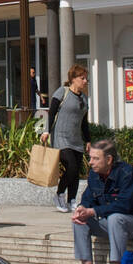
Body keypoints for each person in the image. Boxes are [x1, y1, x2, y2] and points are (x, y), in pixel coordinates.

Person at [61, 140, 133, 264]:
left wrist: (93, 212)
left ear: (109, 159)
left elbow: (124, 205)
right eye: (90, 158)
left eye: (95, 158)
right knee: (79, 220)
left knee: (115, 217)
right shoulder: (94, 174)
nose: (91, 162)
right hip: (115, 224)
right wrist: (81, 208)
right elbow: (88, 197)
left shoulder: (126, 173)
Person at [44, 65, 91, 213]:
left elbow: (84, 122)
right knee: (71, 166)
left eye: (86, 78)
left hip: (76, 140)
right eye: (82, 78)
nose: (85, 81)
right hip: (61, 137)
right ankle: (59, 194)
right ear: (73, 79)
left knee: (75, 171)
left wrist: (88, 140)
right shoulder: (62, 92)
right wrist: (46, 131)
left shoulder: (83, 98)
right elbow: (51, 113)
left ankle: (72, 200)